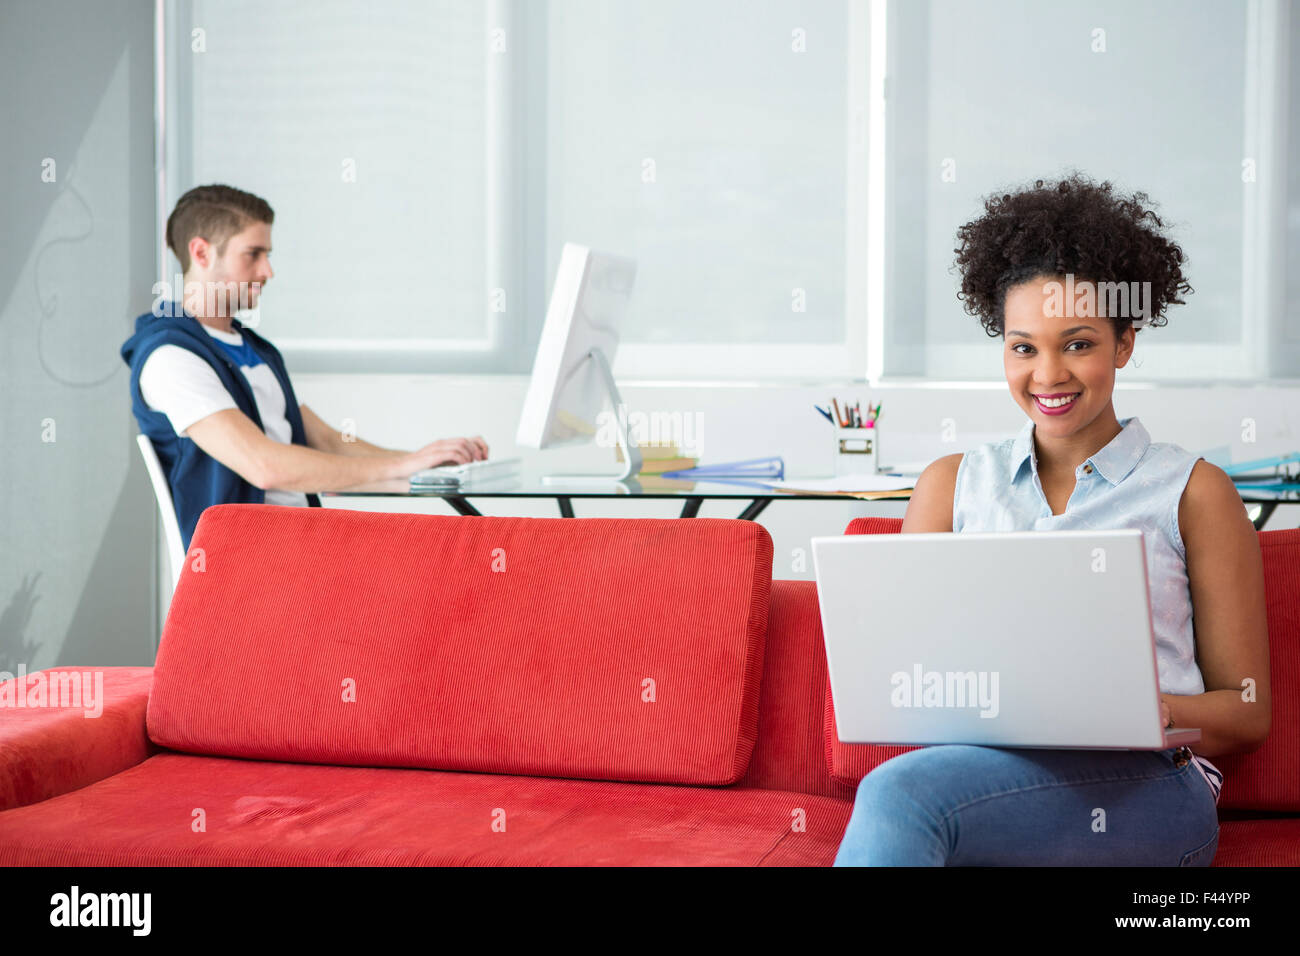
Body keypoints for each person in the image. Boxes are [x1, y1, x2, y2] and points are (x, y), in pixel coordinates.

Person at [833, 172, 1270, 866]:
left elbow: (1246, 712)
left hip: (1151, 784)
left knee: (901, 796)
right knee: (911, 790)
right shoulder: (951, 485)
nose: (1048, 375)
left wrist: (1151, 710)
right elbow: (912, 684)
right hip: (990, 777)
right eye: (1023, 346)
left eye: (1078, 343)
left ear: (1125, 344)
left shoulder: (1193, 491)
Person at [121, 184, 488, 551]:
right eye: (253, 254)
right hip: (243, 564)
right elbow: (263, 465)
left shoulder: (252, 348)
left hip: (298, 545)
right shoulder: (171, 357)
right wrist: (399, 469)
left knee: (444, 557)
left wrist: (423, 462)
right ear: (201, 252)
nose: (267, 271)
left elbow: (326, 440)